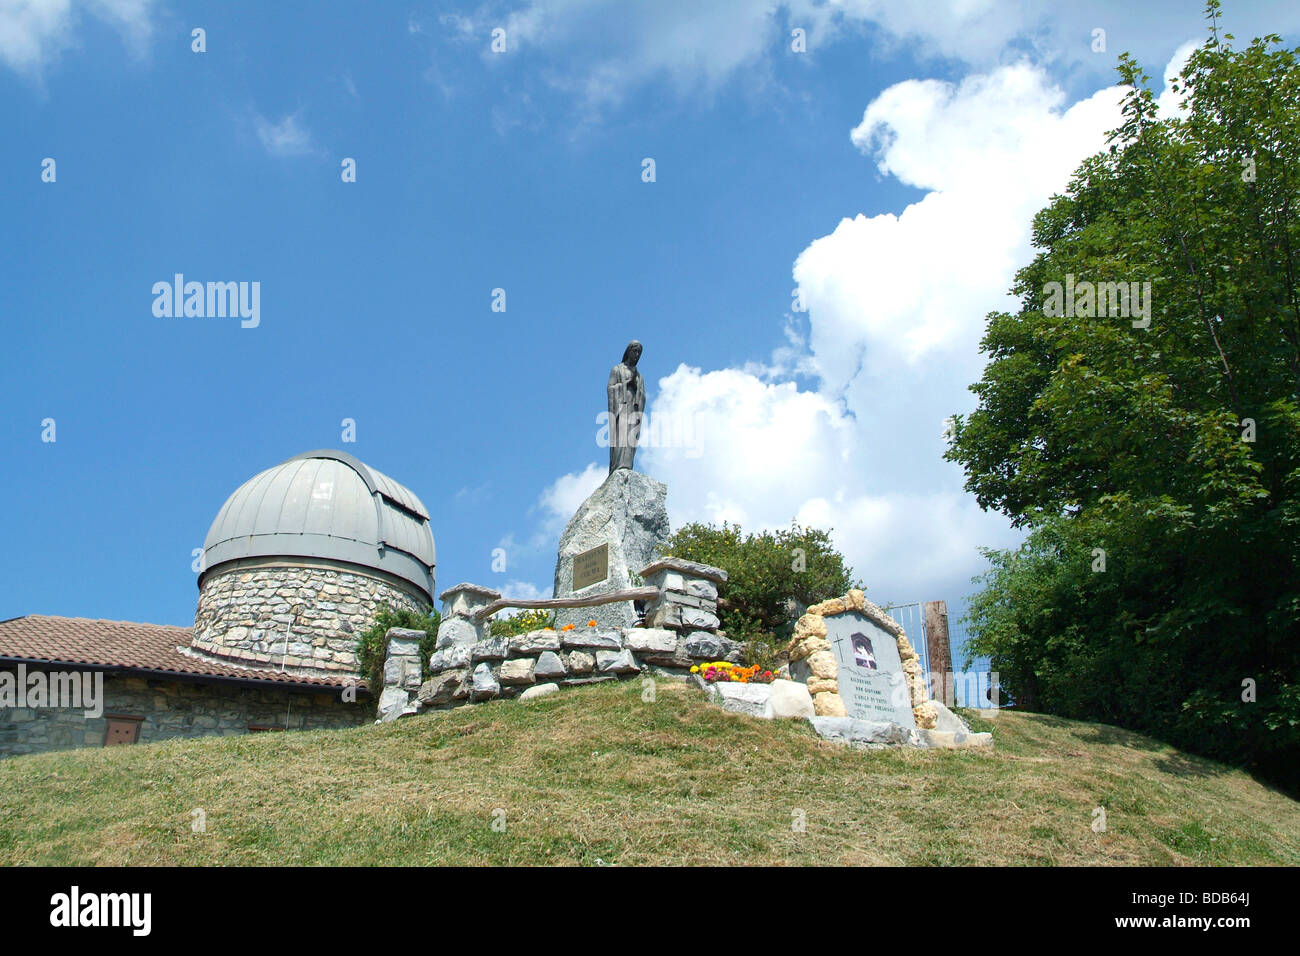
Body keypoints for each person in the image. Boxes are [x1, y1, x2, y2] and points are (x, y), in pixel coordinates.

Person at [607, 340, 646, 473]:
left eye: (639, 353)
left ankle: (627, 465)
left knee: (630, 437)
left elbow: (643, 396)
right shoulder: (617, 370)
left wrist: (637, 390)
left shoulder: (639, 376)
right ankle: (617, 466)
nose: (636, 355)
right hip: (621, 408)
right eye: (634, 351)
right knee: (620, 437)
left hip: (633, 410)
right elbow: (611, 389)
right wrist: (626, 384)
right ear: (628, 351)